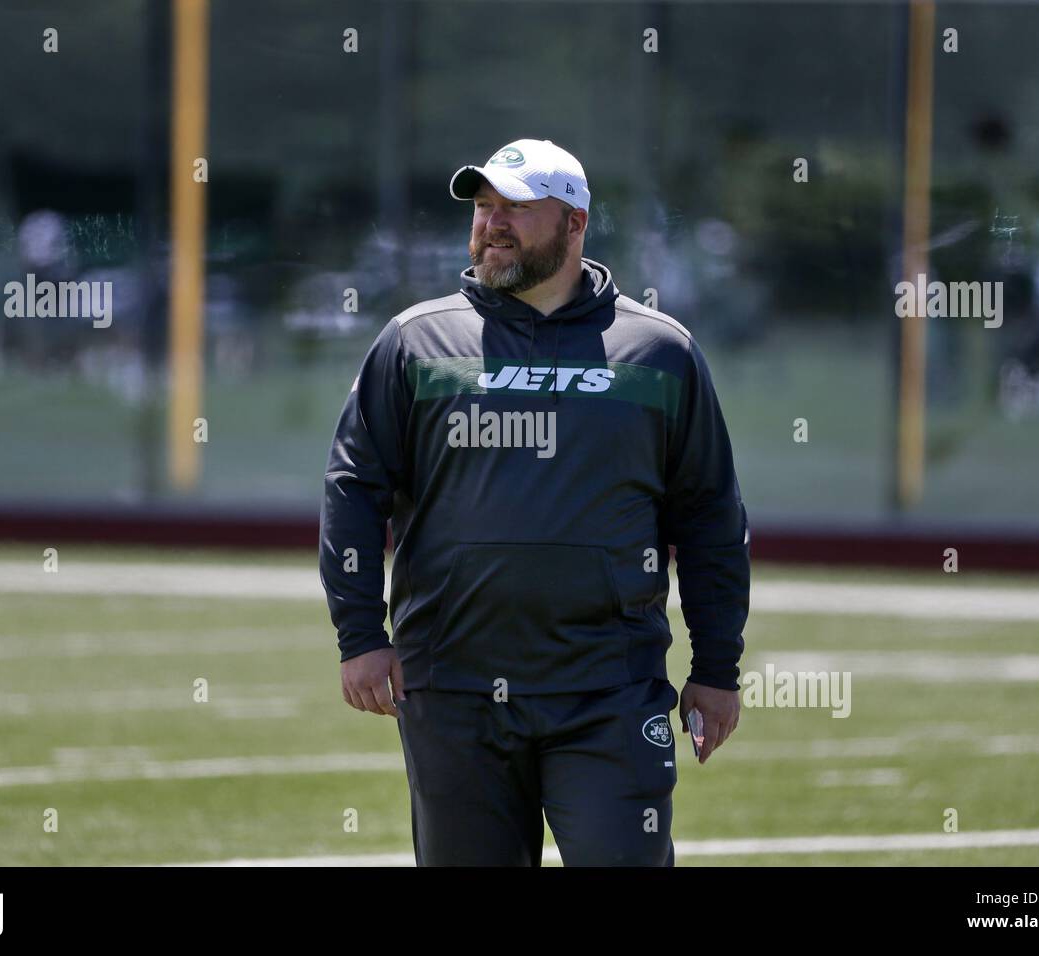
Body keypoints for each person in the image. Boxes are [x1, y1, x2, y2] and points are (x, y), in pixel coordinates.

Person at [319, 138, 750, 866]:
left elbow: (709, 517)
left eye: (517, 208)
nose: (492, 223)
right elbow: (353, 490)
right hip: (452, 687)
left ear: (575, 222)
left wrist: (717, 667)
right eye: (484, 207)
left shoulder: (658, 352)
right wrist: (359, 635)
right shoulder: (414, 343)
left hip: (609, 691)